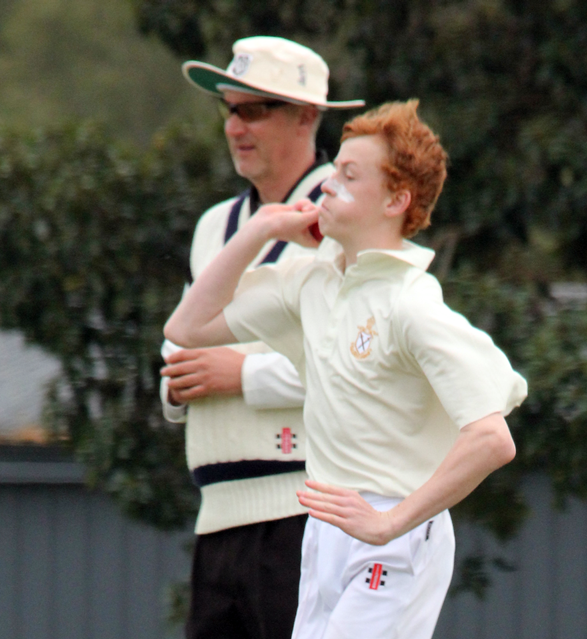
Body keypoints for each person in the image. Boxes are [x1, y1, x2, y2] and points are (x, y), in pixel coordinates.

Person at [164, 100, 527, 639]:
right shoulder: (311, 284)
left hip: (394, 536)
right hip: (326, 530)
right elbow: (187, 329)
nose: (328, 186)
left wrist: (392, 522)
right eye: (333, 170)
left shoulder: (412, 304)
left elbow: (492, 439)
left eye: (349, 175)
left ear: (396, 199)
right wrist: (261, 228)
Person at [159, 35, 364, 639]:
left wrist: (239, 375)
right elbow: (177, 346)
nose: (235, 126)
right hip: (216, 514)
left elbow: (361, 360)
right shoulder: (213, 226)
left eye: (255, 110)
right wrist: (176, 384)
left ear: (308, 117)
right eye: (230, 109)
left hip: (307, 514)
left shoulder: (348, 216)